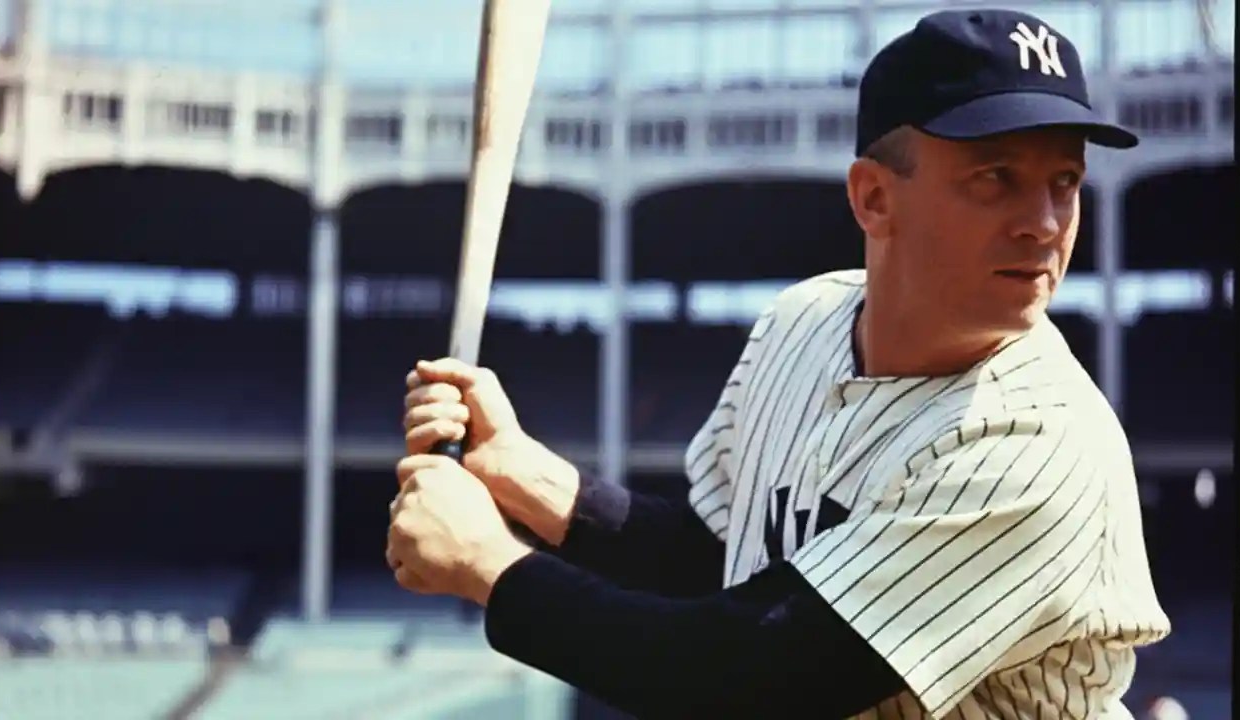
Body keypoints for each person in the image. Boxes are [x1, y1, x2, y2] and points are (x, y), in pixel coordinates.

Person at [386, 8, 1171, 719]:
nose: (1043, 223)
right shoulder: (803, 322)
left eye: (1063, 182)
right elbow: (725, 565)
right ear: (873, 199)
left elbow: (749, 675)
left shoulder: (1040, 443)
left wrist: (488, 564)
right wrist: (531, 478)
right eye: (996, 178)